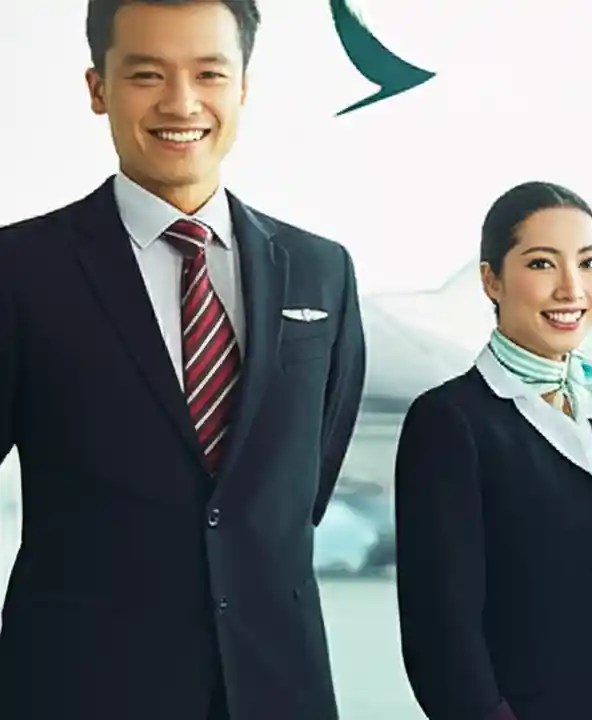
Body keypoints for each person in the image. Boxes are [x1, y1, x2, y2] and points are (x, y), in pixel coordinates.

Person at [0, 1, 366, 718]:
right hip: (76, 690)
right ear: (97, 88)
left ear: (243, 88)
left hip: (277, 690)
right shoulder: (20, 272)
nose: (181, 103)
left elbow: (300, 487)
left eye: (209, 74)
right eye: (146, 75)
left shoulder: (321, 272)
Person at [395, 181, 592, 720]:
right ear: (491, 279)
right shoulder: (451, 420)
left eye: (589, 263)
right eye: (542, 265)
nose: (571, 288)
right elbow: (439, 623)